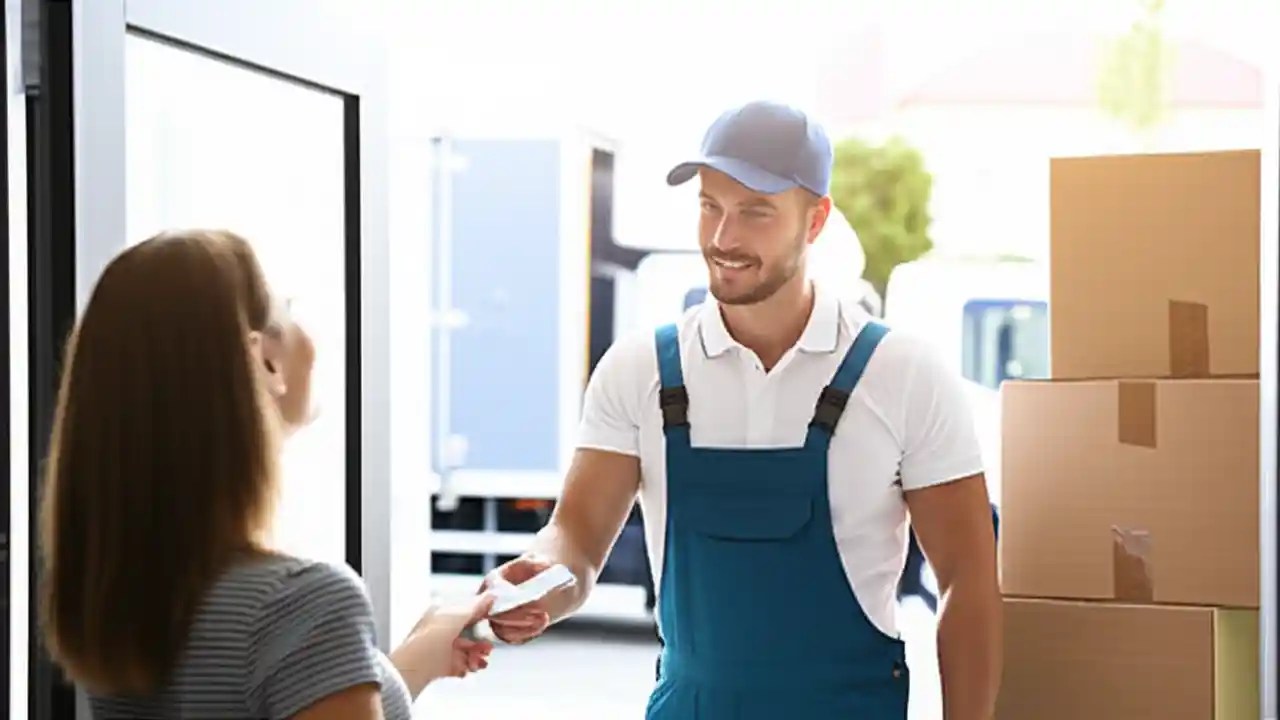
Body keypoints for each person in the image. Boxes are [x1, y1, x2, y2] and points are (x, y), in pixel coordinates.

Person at [483, 101, 1003, 718]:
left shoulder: (904, 373)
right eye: (710, 207)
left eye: (755, 212)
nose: (724, 239)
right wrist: (542, 581)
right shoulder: (639, 371)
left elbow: (967, 579)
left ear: (815, 221)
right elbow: (578, 538)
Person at [38, 230, 494, 720]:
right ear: (264, 360)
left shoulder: (118, 592)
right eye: (289, 309)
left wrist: (419, 653)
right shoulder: (301, 602)